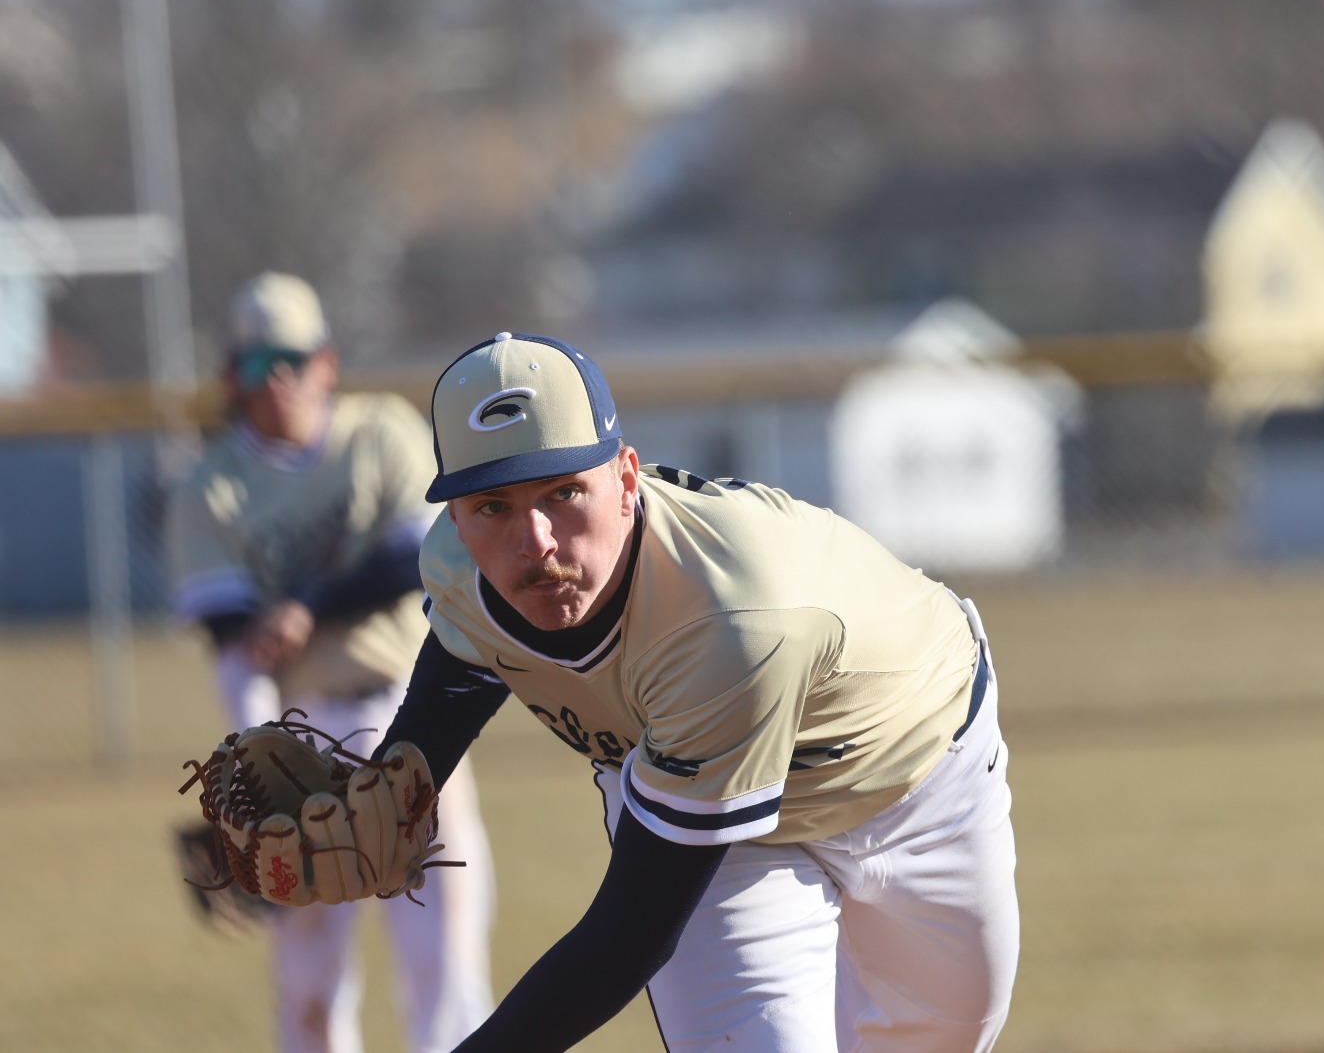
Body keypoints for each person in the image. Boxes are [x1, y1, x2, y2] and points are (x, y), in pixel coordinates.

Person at [373, 330, 1018, 1052]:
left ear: (625, 478)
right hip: (717, 815)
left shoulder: (732, 618)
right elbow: (464, 660)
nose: (537, 539)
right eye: (492, 504)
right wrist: (391, 778)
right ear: (455, 516)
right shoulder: (459, 563)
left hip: (919, 775)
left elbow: (627, 937)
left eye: (564, 490)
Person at [167, 272, 496, 1053]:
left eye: (290, 357)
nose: (275, 378)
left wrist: (309, 603)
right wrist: (251, 780)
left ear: (326, 361)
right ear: (231, 377)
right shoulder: (210, 488)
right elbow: (231, 633)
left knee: (447, 964)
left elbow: (418, 554)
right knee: (311, 983)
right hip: (300, 742)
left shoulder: (381, 432)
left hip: (417, 720)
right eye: (254, 363)